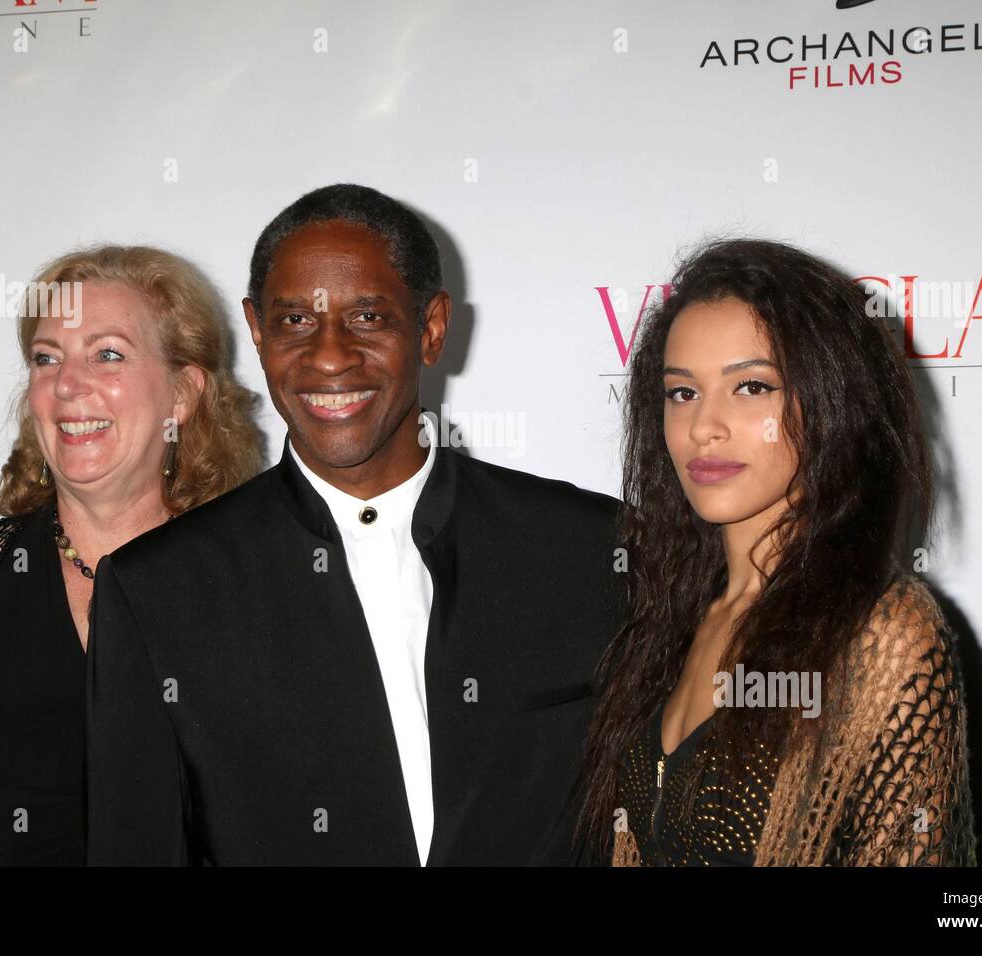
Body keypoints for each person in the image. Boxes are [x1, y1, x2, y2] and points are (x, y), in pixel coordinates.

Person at [85, 184, 623, 865]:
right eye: (294, 323)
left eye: (367, 317)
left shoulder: (588, 548)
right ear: (256, 331)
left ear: (430, 329)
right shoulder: (159, 591)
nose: (330, 356)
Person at [0, 245, 261, 865]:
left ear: (184, 392)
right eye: (45, 359)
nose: (67, 383)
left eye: (108, 354)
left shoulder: (252, 588)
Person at [577, 238, 977, 866]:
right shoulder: (672, 618)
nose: (704, 425)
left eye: (751, 387)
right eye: (682, 392)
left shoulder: (883, 634)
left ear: (829, 404)